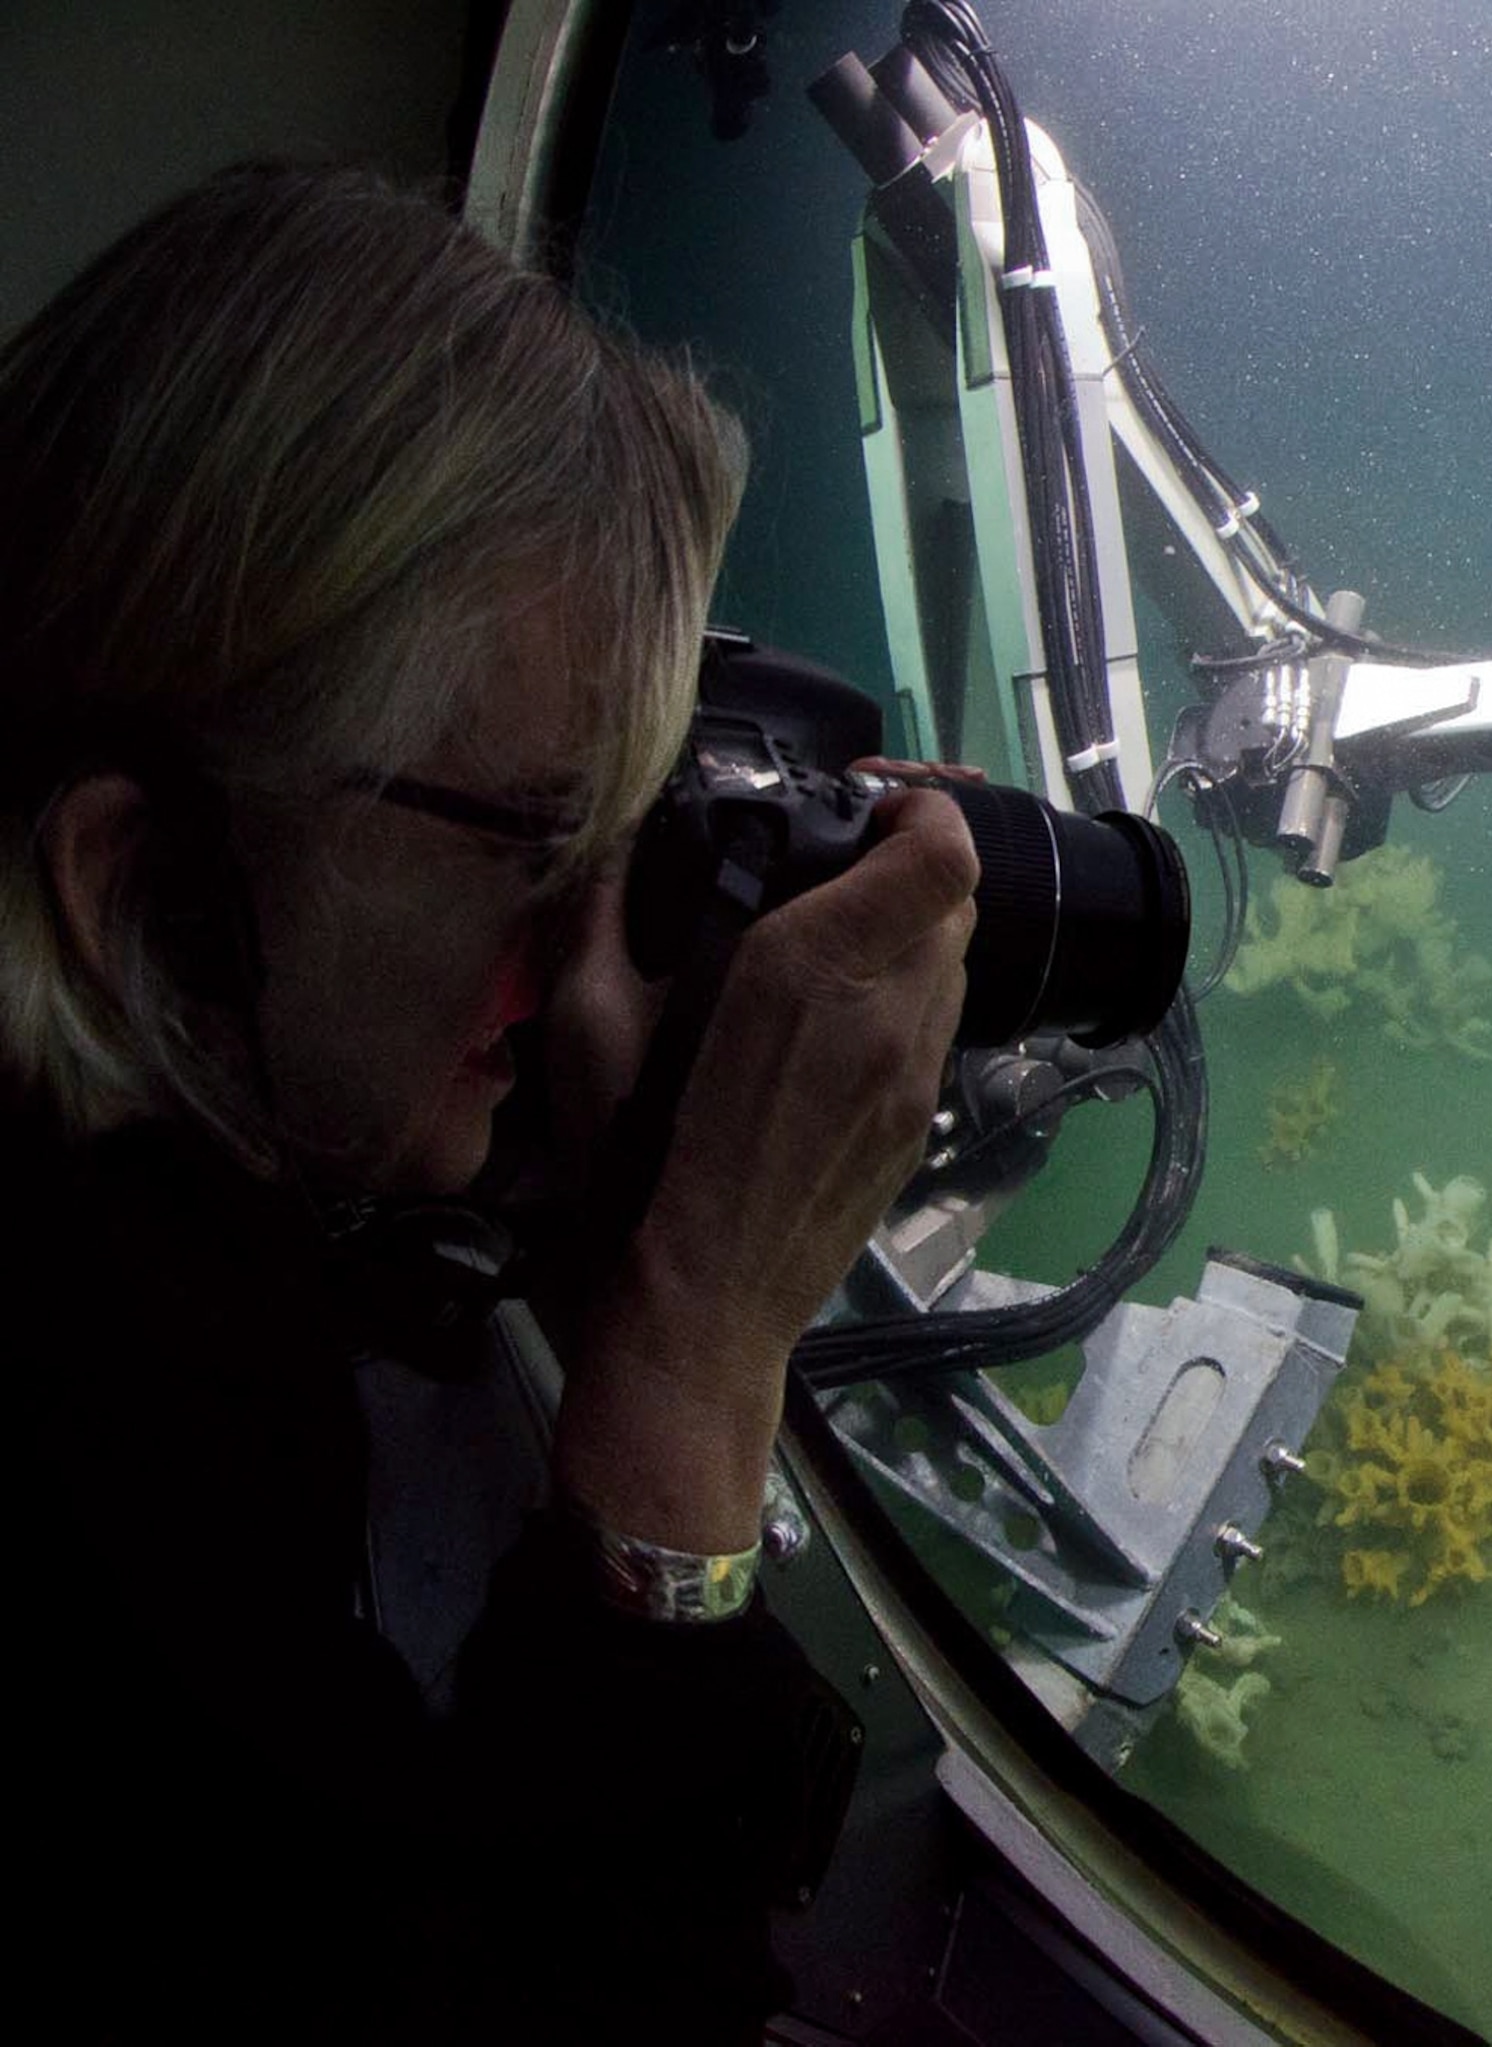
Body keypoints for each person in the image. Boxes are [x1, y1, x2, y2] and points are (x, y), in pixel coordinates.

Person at [0, 163, 978, 2040]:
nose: (596, 934)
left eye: (636, 827)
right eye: (540, 837)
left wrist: (595, 1206)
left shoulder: (149, 1204)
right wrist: (695, 1348)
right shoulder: (105, 1434)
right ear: (138, 882)